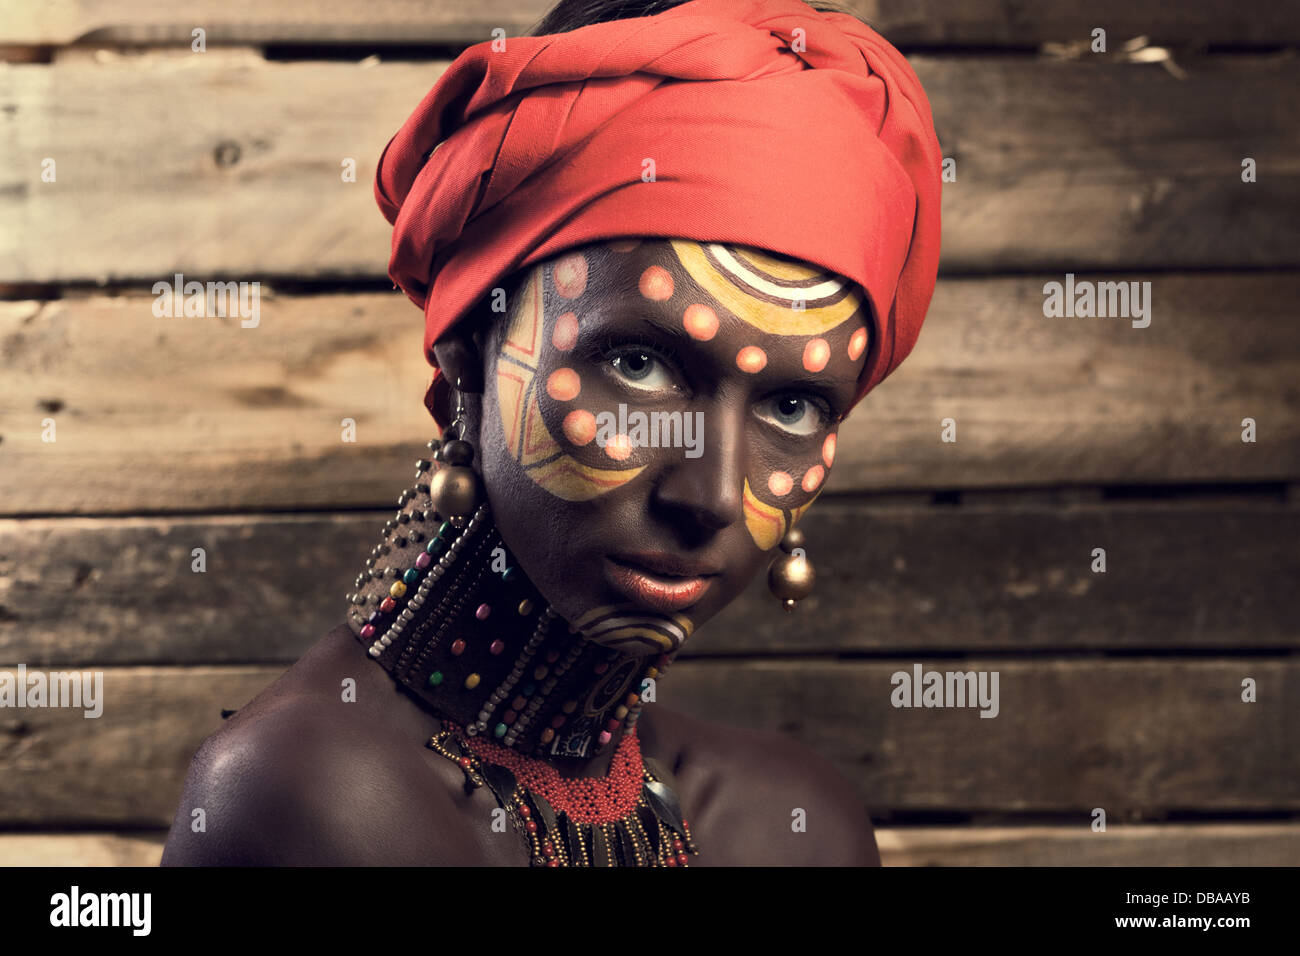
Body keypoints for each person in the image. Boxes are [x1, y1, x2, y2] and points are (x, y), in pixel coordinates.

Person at [161, 0, 941, 867]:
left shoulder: (793, 824)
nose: (711, 496)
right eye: (640, 365)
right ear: (467, 355)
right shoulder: (313, 799)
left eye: (792, 407)